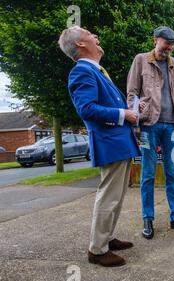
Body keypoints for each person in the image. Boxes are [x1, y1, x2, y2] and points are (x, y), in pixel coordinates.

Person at [59, 26, 141, 267]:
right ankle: (97, 250)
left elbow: (107, 104)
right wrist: (123, 114)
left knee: (117, 197)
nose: (95, 35)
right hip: (111, 144)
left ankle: (107, 238)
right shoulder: (82, 72)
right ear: (81, 44)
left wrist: (131, 112)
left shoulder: (97, 71)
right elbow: (86, 109)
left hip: (120, 143)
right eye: (89, 34)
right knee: (109, 197)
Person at [127, 26, 174, 239]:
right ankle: (148, 218)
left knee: (172, 173)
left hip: (173, 126)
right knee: (147, 174)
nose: (170, 47)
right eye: (167, 43)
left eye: (173, 44)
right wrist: (136, 120)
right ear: (156, 39)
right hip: (148, 125)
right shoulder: (141, 60)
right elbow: (132, 93)